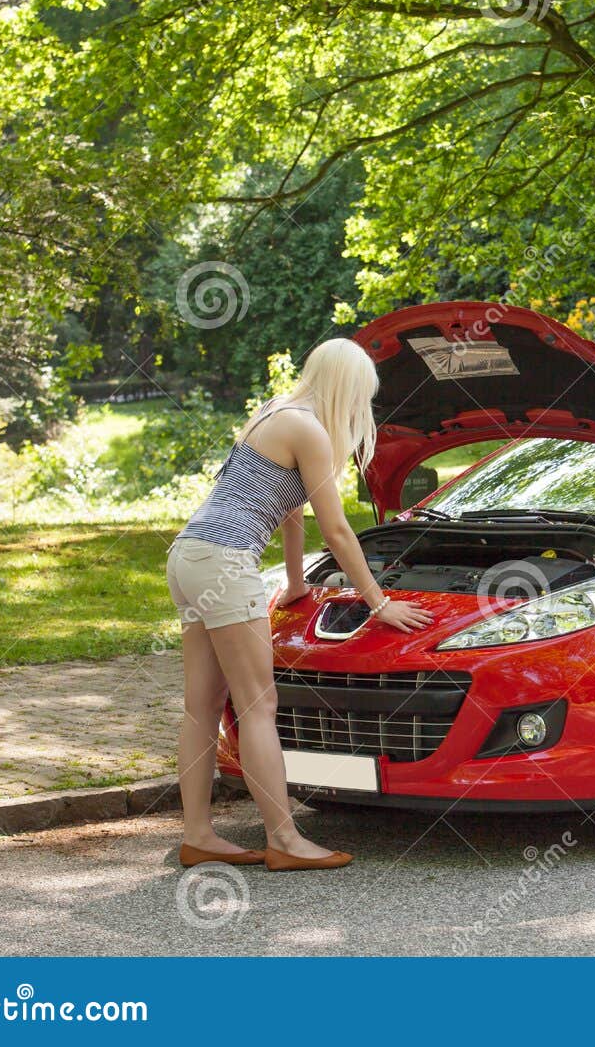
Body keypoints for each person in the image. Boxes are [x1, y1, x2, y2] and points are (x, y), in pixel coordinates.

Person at [164, 338, 432, 871]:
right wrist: (378, 604)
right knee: (258, 705)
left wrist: (293, 582)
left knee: (202, 704)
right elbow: (334, 527)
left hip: (189, 556)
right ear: (347, 386)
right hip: (226, 559)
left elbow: (289, 508)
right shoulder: (310, 430)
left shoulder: (276, 413)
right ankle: (284, 840)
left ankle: (198, 835)